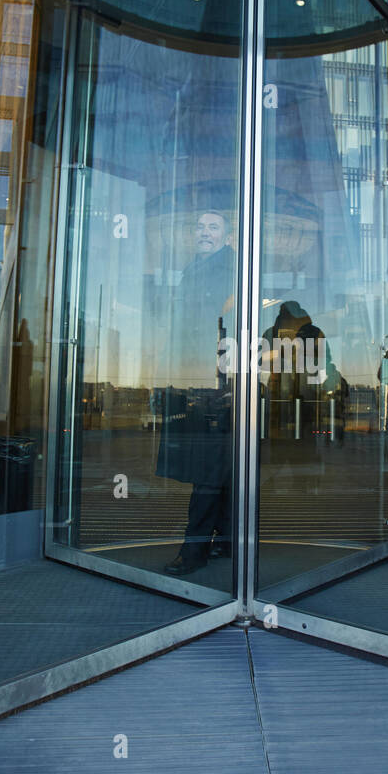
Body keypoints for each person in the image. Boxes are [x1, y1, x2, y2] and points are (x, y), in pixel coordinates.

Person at [157, 211, 236, 576]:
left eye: (213, 227)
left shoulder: (231, 268)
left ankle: (195, 551)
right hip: (198, 377)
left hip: (215, 381)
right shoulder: (193, 269)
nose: (205, 232)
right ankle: (224, 540)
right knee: (216, 469)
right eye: (200, 226)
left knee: (207, 470)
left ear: (226, 235)